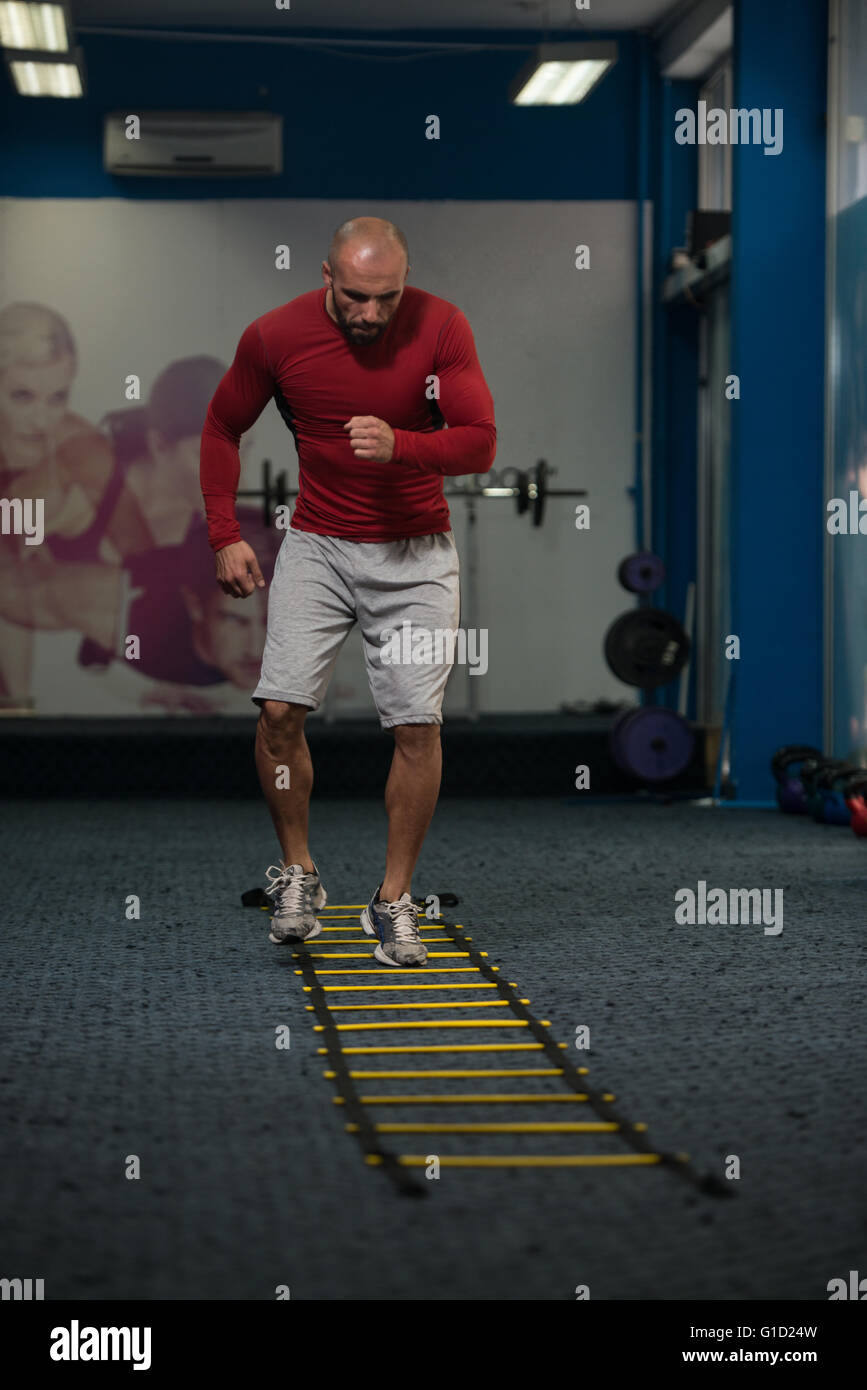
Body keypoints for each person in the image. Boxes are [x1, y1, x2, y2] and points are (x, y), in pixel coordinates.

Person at [200, 216, 497, 965]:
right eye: (357, 297)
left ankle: (392, 901)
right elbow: (220, 425)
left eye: (386, 299)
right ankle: (298, 874)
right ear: (326, 276)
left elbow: (479, 438)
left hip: (417, 554)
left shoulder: (442, 326)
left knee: (415, 728)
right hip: (318, 547)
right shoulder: (274, 336)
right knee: (276, 712)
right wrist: (222, 532)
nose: (370, 314)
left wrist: (404, 445)